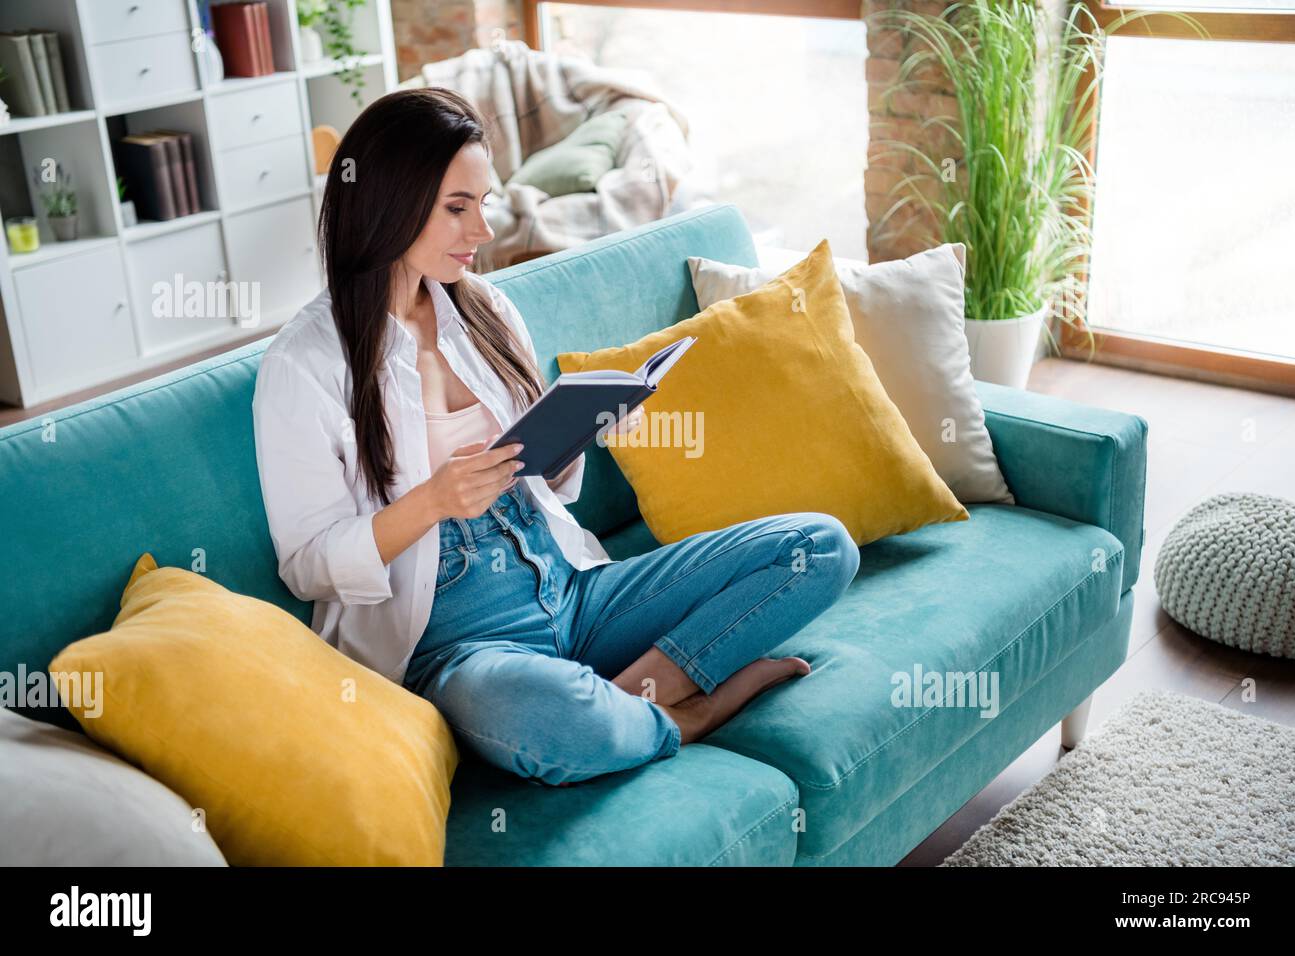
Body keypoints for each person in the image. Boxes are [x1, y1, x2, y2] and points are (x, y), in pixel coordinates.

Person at [251, 87, 860, 787]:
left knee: (819, 548)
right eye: (458, 207)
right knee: (544, 719)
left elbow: (545, 482)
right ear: (387, 199)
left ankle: (631, 702)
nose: (481, 230)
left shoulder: (486, 308)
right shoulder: (305, 363)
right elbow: (307, 565)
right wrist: (433, 502)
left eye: (483, 203)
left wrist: (579, 432)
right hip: (454, 642)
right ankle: (686, 713)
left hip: (569, 587)